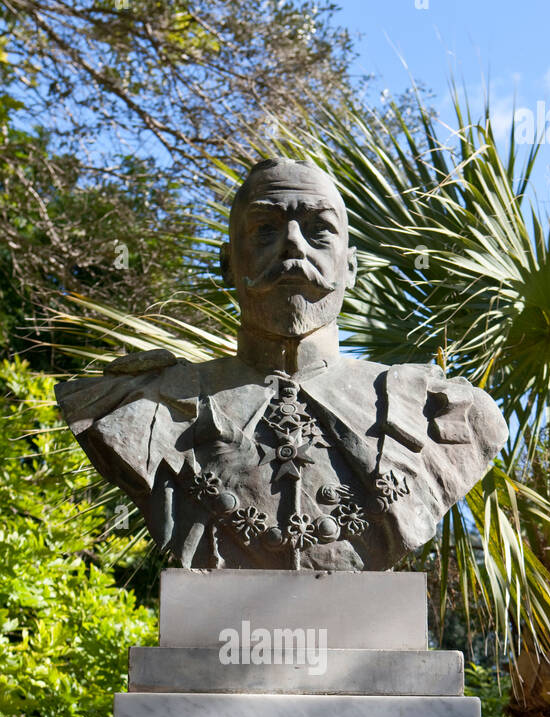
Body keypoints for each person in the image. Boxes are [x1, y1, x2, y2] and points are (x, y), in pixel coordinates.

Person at [56, 158, 507, 570]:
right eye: (266, 230)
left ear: (349, 267)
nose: (293, 244)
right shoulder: (138, 403)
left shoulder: (443, 412)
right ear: (227, 264)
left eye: (318, 230)